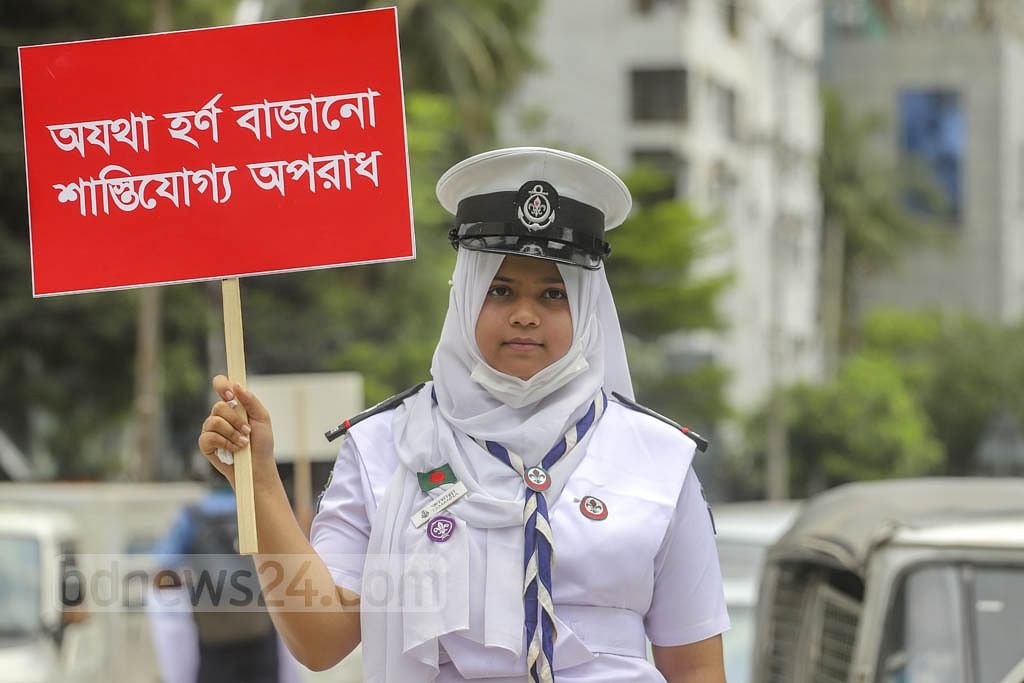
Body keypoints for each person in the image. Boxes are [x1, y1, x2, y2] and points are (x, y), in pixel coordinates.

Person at [198, 146, 729, 682]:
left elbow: (696, 668)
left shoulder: (658, 457)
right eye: (501, 291)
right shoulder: (386, 445)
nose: (525, 315)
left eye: (553, 295)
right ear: (467, 297)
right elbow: (321, 640)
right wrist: (260, 479)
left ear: (586, 307)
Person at [150, 471, 301, 683]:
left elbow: (163, 567)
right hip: (259, 627)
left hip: (214, 635)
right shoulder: (258, 512)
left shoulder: (193, 516)